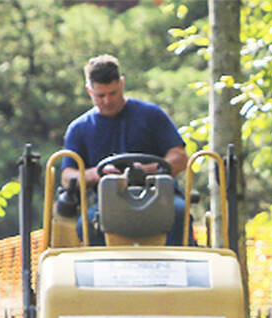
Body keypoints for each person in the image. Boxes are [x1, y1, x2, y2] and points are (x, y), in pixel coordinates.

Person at [61, 54, 190, 245]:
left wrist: (148, 169)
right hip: (107, 202)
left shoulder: (152, 115)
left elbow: (179, 156)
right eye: (100, 95)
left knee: (179, 213)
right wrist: (96, 174)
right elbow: (67, 176)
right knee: (86, 225)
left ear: (121, 84)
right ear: (89, 91)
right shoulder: (79, 129)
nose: (107, 101)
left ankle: (176, 261)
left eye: (113, 93)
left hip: (159, 196)